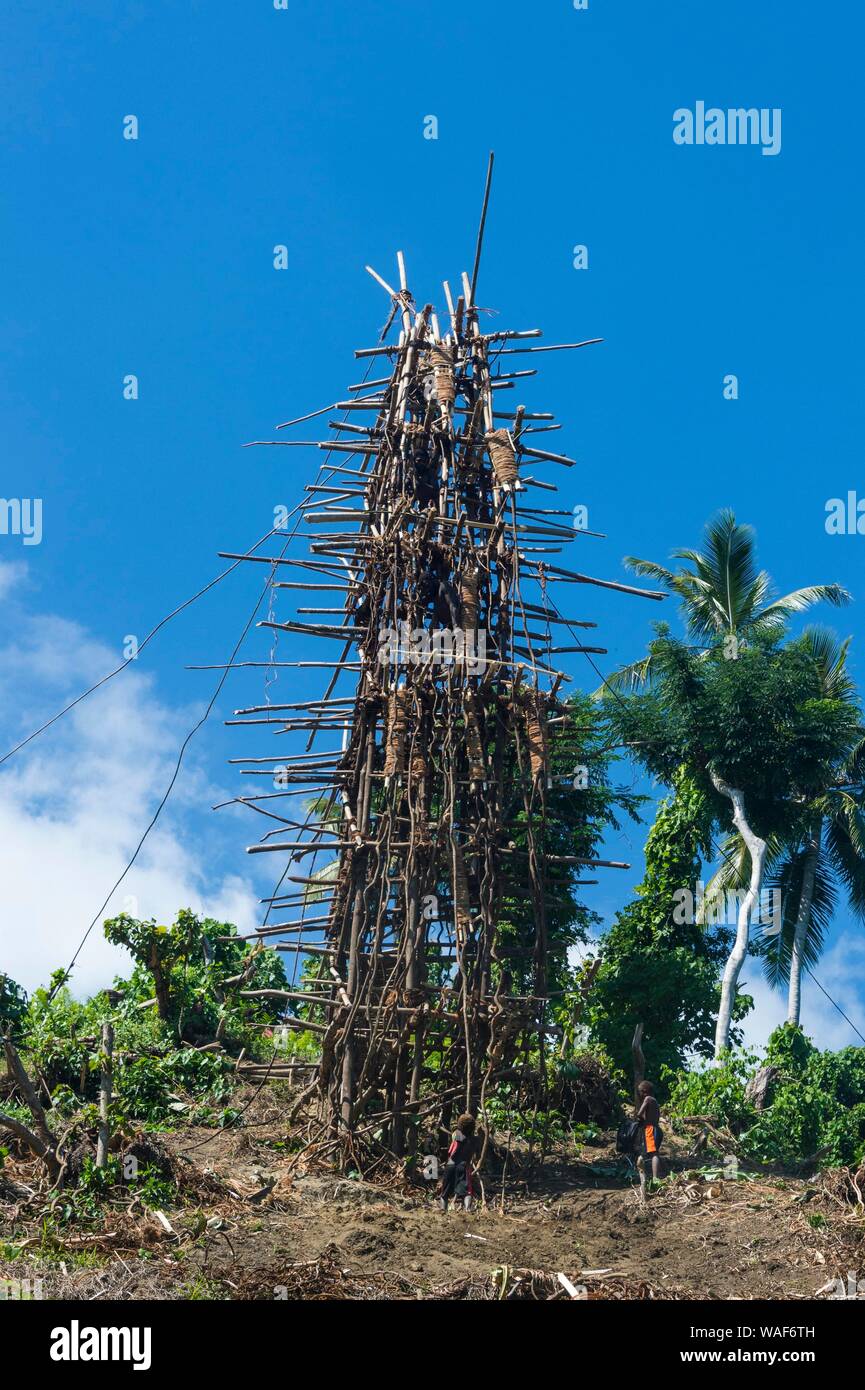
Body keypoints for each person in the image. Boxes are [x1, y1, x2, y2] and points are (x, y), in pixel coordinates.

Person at [438, 1113, 476, 1212]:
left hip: (450, 1165)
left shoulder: (456, 1135)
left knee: (444, 1194)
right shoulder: (473, 1140)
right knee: (467, 1193)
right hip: (463, 1166)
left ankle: (443, 1210)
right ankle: (467, 1210)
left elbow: (450, 1151)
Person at [634, 1080, 663, 1194]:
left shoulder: (647, 1099)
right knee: (654, 1153)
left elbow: (639, 1114)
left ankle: (656, 1178)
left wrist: (640, 1121)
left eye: (640, 1092)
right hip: (657, 1129)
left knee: (654, 1153)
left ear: (645, 1092)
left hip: (651, 1129)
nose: (640, 1095)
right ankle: (660, 1174)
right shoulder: (654, 1101)